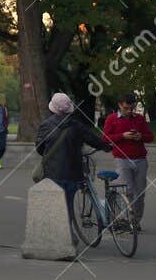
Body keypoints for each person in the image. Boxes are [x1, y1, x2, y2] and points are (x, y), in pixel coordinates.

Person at [36, 92, 113, 227]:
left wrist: (50, 155)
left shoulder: (46, 125)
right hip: (73, 173)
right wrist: (106, 147)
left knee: (56, 205)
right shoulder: (76, 126)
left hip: (53, 173)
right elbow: (92, 139)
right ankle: (69, 233)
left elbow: (39, 147)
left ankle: (62, 234)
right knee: (69, 203)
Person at [101, 93, 153, 231]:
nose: (129, 111)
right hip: (122, 159)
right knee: (128, 190)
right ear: (120, 105)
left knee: (140, 193)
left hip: (140, 159)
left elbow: (150, 137)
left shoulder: (139, 119)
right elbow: (105, 138)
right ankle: (124, 219)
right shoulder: (112, 119)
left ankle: (135, 221)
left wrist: (140, 136)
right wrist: (122, 136)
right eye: (126, 108)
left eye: (131, 108)